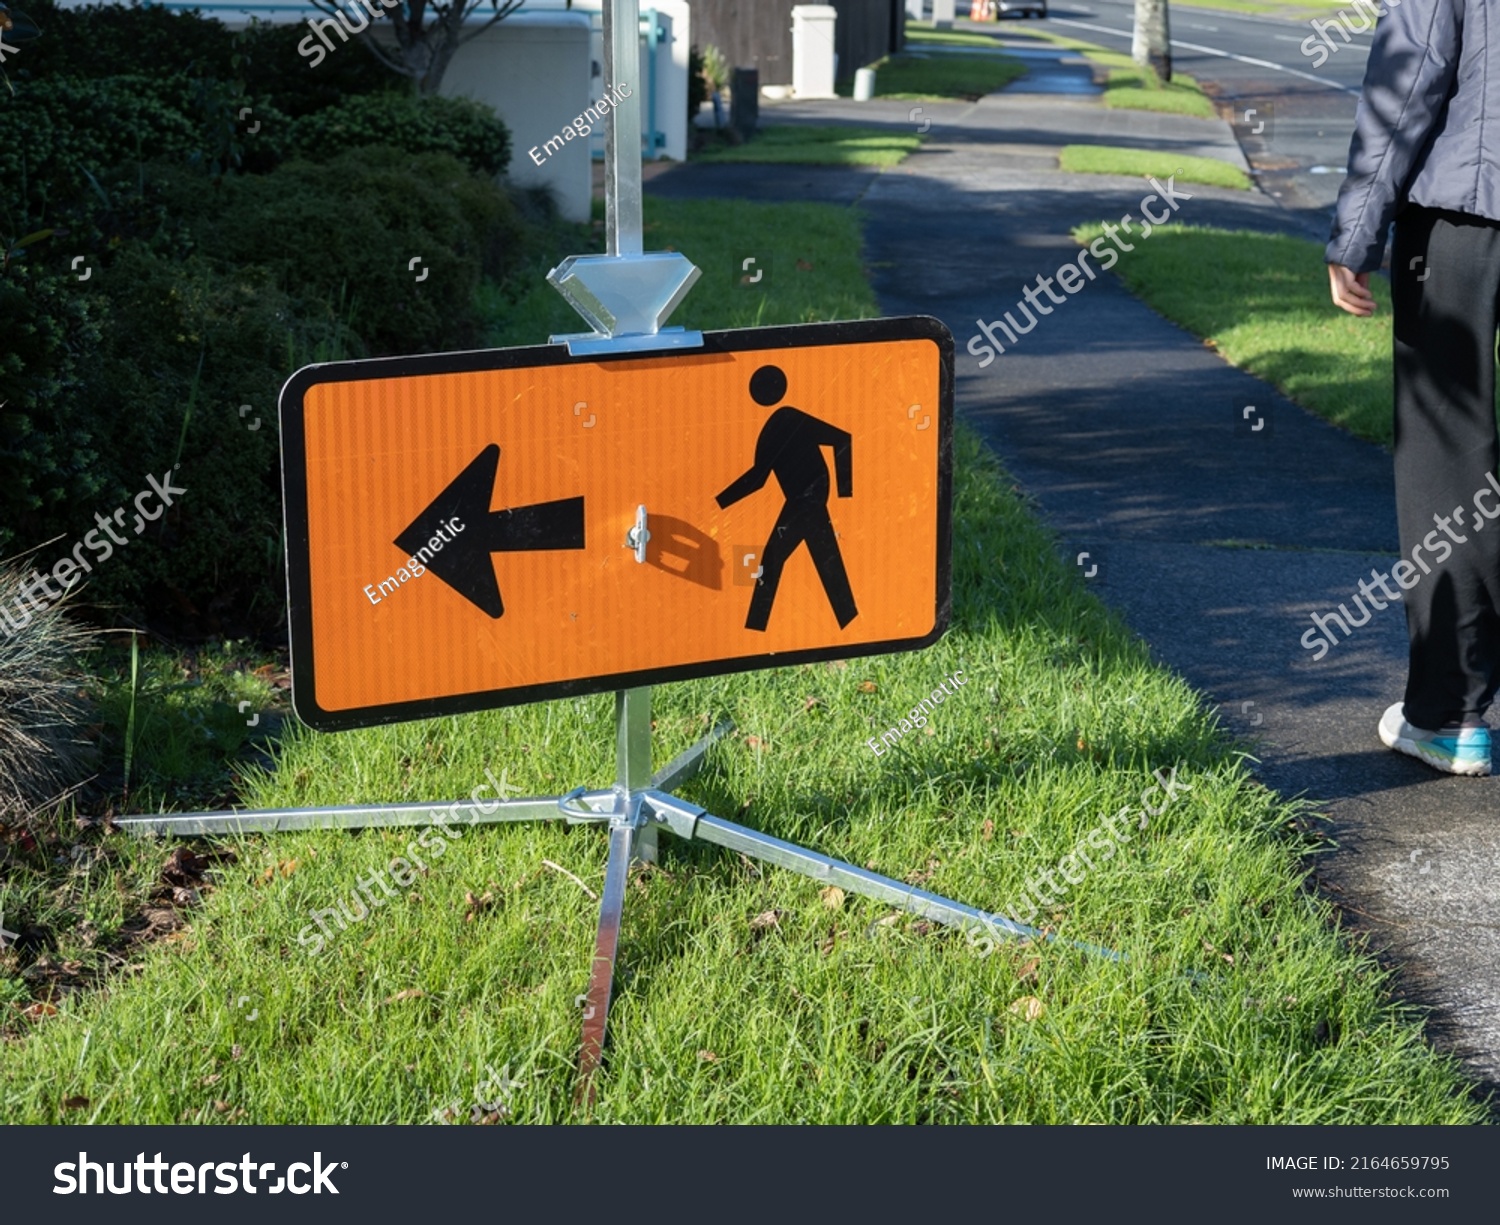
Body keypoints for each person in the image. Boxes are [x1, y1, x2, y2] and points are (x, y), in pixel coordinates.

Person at [1326, 0, 1499, 777]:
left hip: (1467, 214)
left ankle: (1449, 712)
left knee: (1449, 462)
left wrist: (1356, 233)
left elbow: (1412, 72)